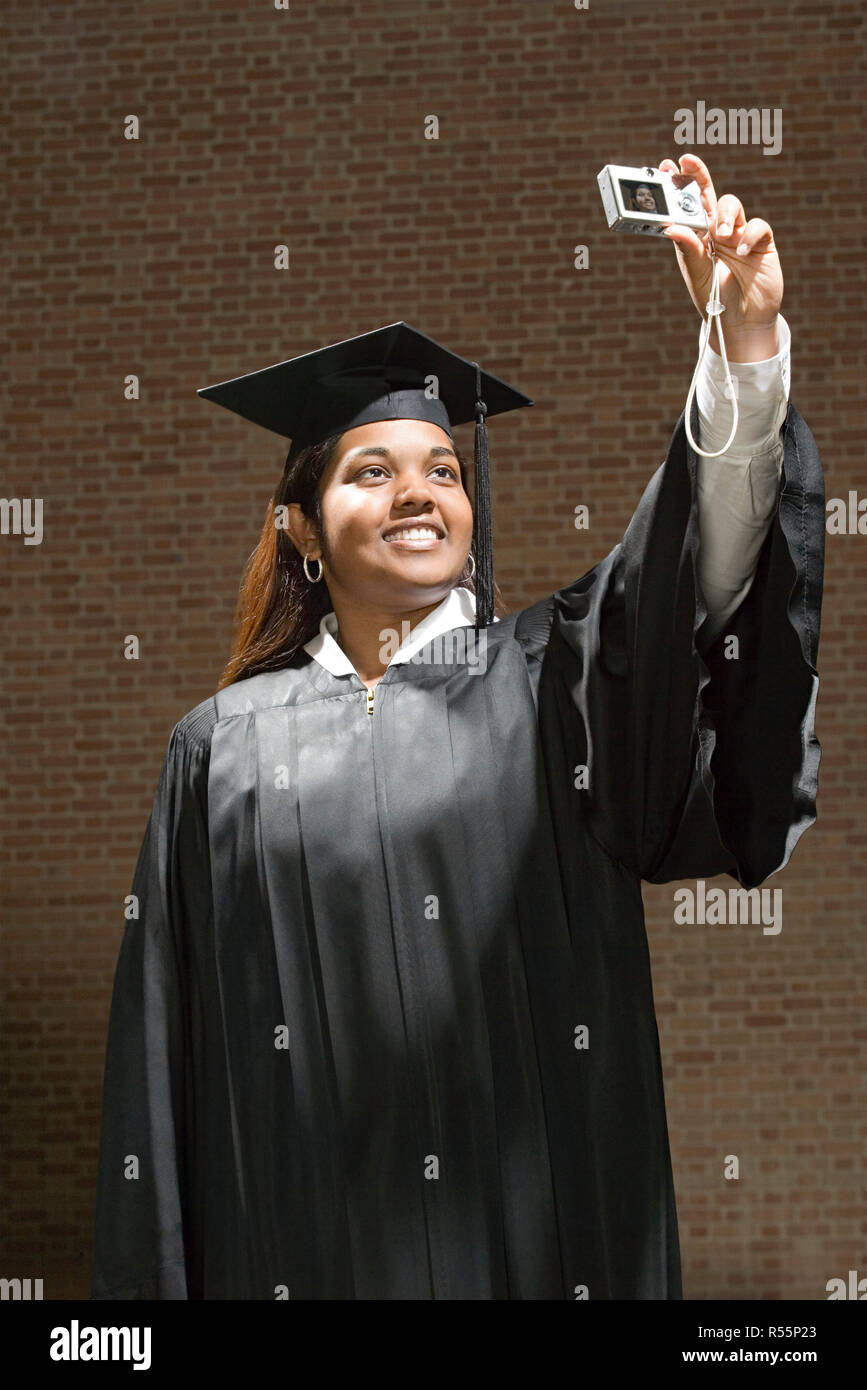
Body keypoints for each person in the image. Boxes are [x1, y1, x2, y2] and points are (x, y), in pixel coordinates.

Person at [89, 153, 824, 1300]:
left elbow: (697, 580)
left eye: (441, 467)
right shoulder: (219, 754)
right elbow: (160, 1068)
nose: (418, 491)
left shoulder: (550, 681)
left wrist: (742, 352)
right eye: (371, 471)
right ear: (302, 530)